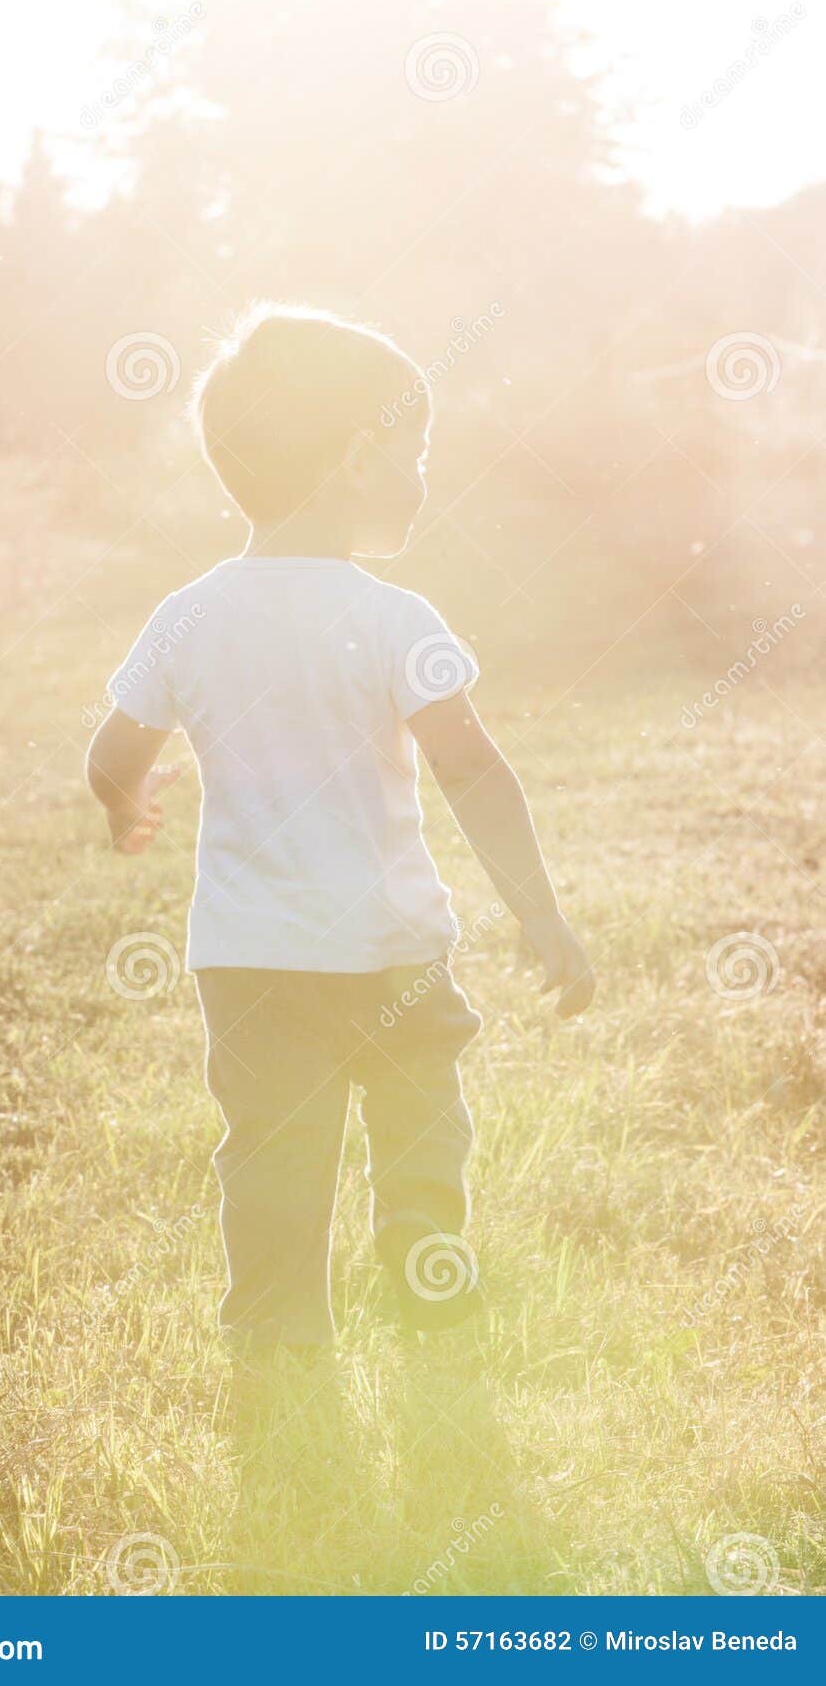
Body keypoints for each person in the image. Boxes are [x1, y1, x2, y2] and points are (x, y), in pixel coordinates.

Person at [87, 303, 593, 1350]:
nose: (419, 473)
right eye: (411, 449)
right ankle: (426, 1280)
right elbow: (475, 775)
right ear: (359, 454)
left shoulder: (186, 613)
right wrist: (538, 913)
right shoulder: (393, 617)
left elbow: (111, 752)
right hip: (393, 952)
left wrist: (124, 802)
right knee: (419, 1132)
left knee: (269, 1150)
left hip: (251, 963)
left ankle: (273, 1329)